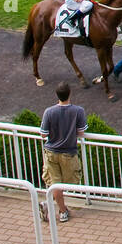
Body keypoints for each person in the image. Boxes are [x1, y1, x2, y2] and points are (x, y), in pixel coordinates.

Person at [40, 82, 87, 224]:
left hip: (50, 152)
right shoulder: (78, 111)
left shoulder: (49, 111)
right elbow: (81, 132)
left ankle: (50, 205)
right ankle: (62, 211)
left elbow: (43, 134)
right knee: (64, 183)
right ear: (70, 93)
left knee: (55, 183)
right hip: (68, 153)